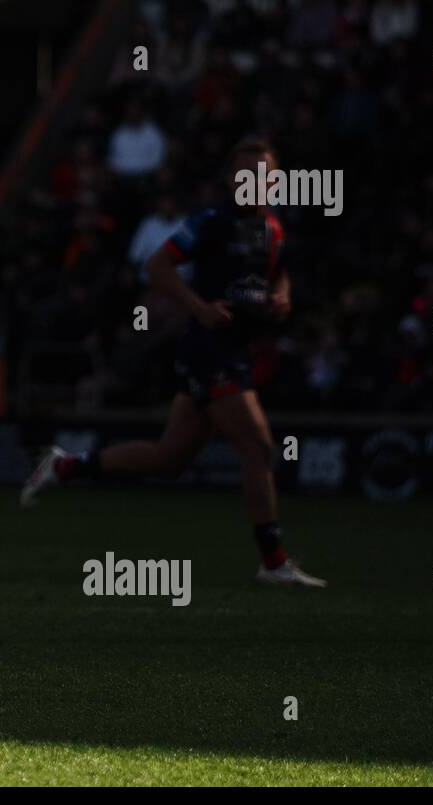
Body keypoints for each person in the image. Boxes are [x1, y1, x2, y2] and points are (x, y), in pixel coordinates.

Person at [22, 138, 326, 588]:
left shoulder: (273, 230)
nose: (256, 183)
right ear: (231, 180)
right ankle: (273, 561)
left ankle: (66, 466)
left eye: (265, 175)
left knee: (168, 459)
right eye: (247, 174)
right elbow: (159, 266)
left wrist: (284, 296)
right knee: (258, 447)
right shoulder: (211, 222)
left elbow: (280, 274)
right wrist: (198, 306)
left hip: (234, 351)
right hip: (209, 351)